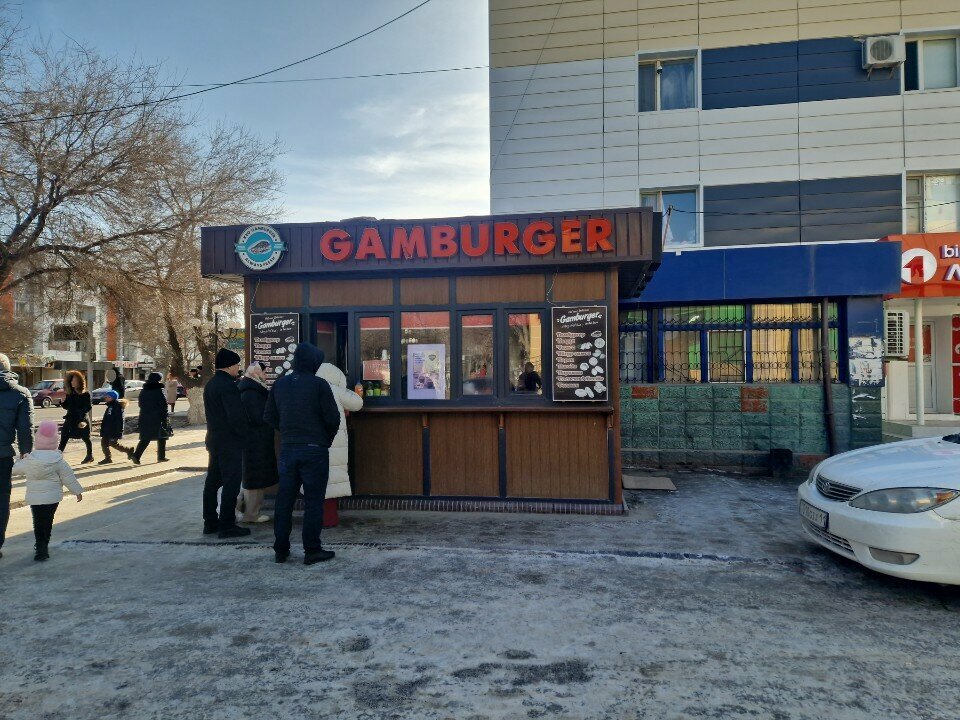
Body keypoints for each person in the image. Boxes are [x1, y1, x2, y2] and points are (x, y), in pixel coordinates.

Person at [264, 343, 340, 565]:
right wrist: (324, 440)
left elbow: (269, 416)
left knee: (284, 501)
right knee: (313, 502)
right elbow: (333, 418)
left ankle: (281, 550)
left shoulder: (280, 384)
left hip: (288, 449)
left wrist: (288, 432)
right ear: (313, 362)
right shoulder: (319, 385)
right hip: (315, 451)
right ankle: (312, 550)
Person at [12, 420, 83, 561]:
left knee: (38, 522)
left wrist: (20, 459)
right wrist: (77, 491)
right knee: (48, 521)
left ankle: (40, 547)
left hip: (35, 498)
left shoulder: (29, 459)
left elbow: (14, 470)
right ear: (54, 442)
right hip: (52, 498)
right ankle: (45, 545)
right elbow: (68, 477)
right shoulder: (58, 460)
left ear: (37, 442)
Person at [202, 348, 250, 538]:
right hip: (229, 442)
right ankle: (227, 525)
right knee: (231, 483)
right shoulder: (228, 386)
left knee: (213, 482)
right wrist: (245, 436)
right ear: (229, 366)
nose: (238, 368)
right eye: (237, 364)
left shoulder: (211, 384)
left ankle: (210, 522)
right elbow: (236, 416)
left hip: (214, 440)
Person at [0, 353, 34, 559]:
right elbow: (25, 429)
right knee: (2, 500)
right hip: (3, 456)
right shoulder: (20, 393)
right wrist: (26, 453)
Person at [316, 362, 362, 505]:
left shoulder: (310, 388)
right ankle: (329, 514)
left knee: (317, 477)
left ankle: (319, 513)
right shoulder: (336, 390)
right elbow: (357, 403)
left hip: (313, 440)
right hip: (334, 438)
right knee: (333, 476)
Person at [236, 363, 277, 524]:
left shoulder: (251, 388)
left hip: (256, 440)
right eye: (264, 373)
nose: (266, 376)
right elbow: (258, 417)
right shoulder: (251, 392)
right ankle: (251, 514)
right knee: (254, 477)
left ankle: (246, 509)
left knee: (255, 476)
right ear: (257, 373)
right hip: (255, 441)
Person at [131, 372, 169, 465]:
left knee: (145, 438)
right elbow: (163, 406)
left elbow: (140, 404)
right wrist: (165, 417)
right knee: (162, 436)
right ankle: (161, 457)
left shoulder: (143, 390)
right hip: (157, 418)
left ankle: (136, 455)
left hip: (144, 416)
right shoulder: (159, 391)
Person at [60, 370, 94, 463]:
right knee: (64, 436)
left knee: (86, 438)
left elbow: (88, 407)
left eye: (74, 380)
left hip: (81, 419)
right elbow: (67, 406)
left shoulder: (86, 394)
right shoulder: (70, 393)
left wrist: (81, 418)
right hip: (70, 419)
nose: (72, 382)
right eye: (71, 380)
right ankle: (58, 456)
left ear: (79, 382)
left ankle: (89, 455)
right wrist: (62, 402)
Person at [98, 391, 135, 465]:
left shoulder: (117, 406)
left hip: (114, 430)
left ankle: (128, 450)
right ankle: (108, 458)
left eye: (108, 397)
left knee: (113, 443)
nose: (106, 398)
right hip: (107, 429)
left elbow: (119, 420)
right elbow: (106, 418)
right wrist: (103, 428)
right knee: (104, 443)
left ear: (113, 398)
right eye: (106, 396)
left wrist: (119, 431)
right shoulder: (110, 406)